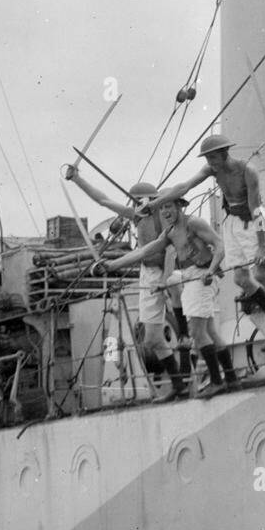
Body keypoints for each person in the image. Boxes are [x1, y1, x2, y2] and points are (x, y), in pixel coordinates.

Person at [149, 135, 265, 349]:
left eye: (213, 157)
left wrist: (262, 245)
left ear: (225, 153)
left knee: (260, 273)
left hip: (251, 220)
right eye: (207, 158)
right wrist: (155, 203)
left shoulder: (248, 171)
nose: (210, 162)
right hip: (232, 221)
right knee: (240, 279)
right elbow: (185, 187)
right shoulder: (212, 170)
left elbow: (257, 209)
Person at [99, 193, 237, 398]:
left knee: (197, 332)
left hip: (202, 276)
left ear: (179, 206)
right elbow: (143, 252)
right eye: (162, 207)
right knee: (209, 330)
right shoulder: (170, 232)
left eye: (169, 206)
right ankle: (231, 379)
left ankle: (217, 382)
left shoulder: (193, 223)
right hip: (190, 275)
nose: (165, 211)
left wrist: (211, 270)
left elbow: (219, 245)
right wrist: (112, 265)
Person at [66, 166, 187, 398]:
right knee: (152, 339)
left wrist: (163, 281)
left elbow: (171, 250)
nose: (136, 206)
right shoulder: (136, 216)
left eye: (140, 202)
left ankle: (184, 340)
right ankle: (179, 384)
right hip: (147, 273)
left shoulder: (162, 216)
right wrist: (77, 179)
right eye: (134, 203)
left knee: (172, 298)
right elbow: (103, 200)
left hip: (167, 272)